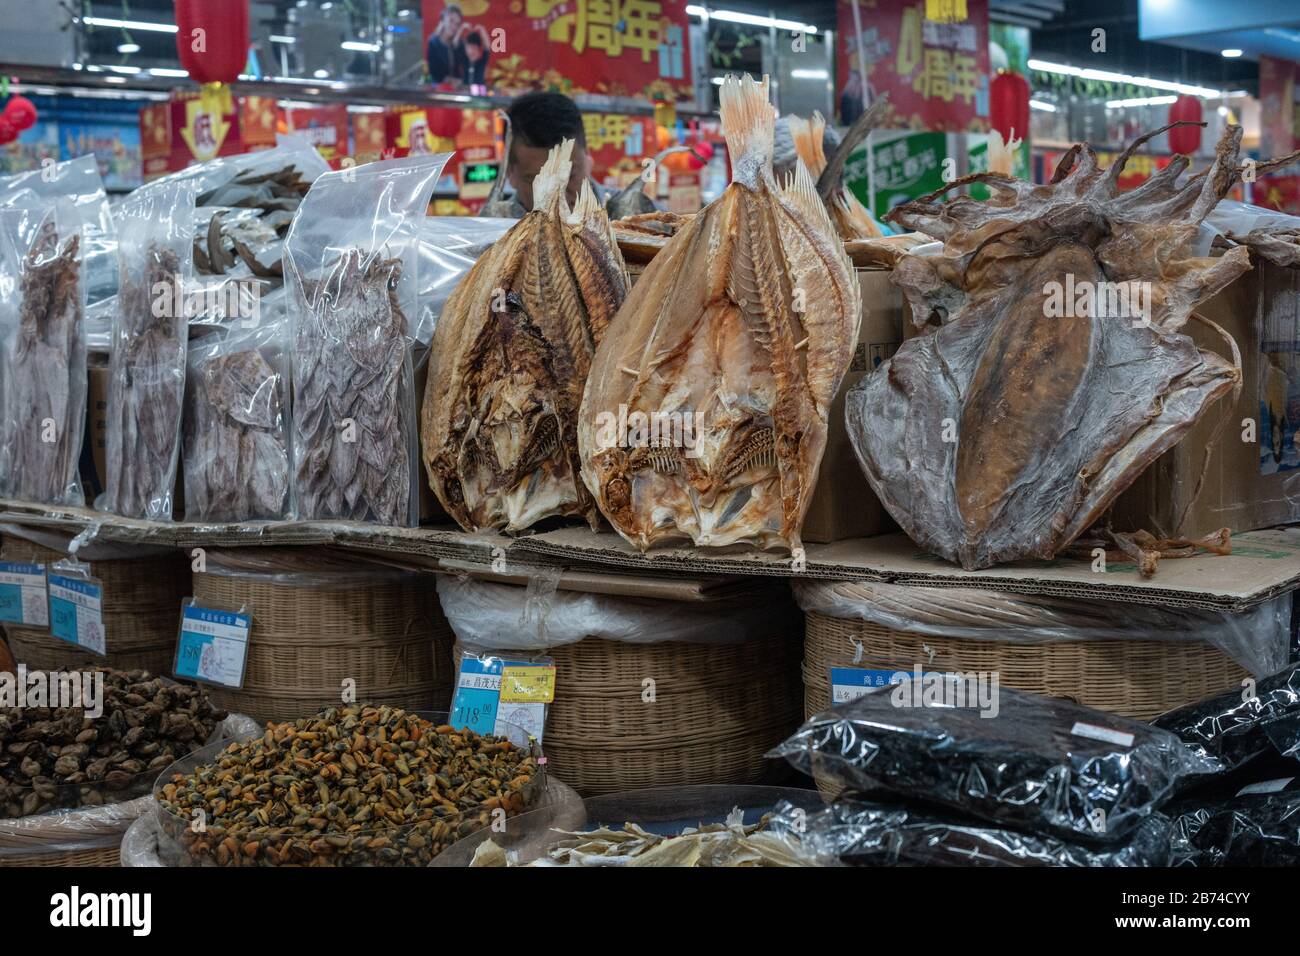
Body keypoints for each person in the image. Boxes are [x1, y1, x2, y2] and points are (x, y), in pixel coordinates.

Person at [505, 91, 598, 211]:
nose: (559, 202)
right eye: (539, 184)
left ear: (587, 156)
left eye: (569, 177)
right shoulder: (490, 228)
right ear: (510, 172)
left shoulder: (626, 215)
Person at [427, 4, 468, 85]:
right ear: (443, 20)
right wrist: (450, 81)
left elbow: (466, 69)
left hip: (457, 90)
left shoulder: (459, 43)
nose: (454, 26)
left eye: (457, 24)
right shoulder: (434, 42)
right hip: (438, 89)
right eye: (451, 20)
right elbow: (434, 73)